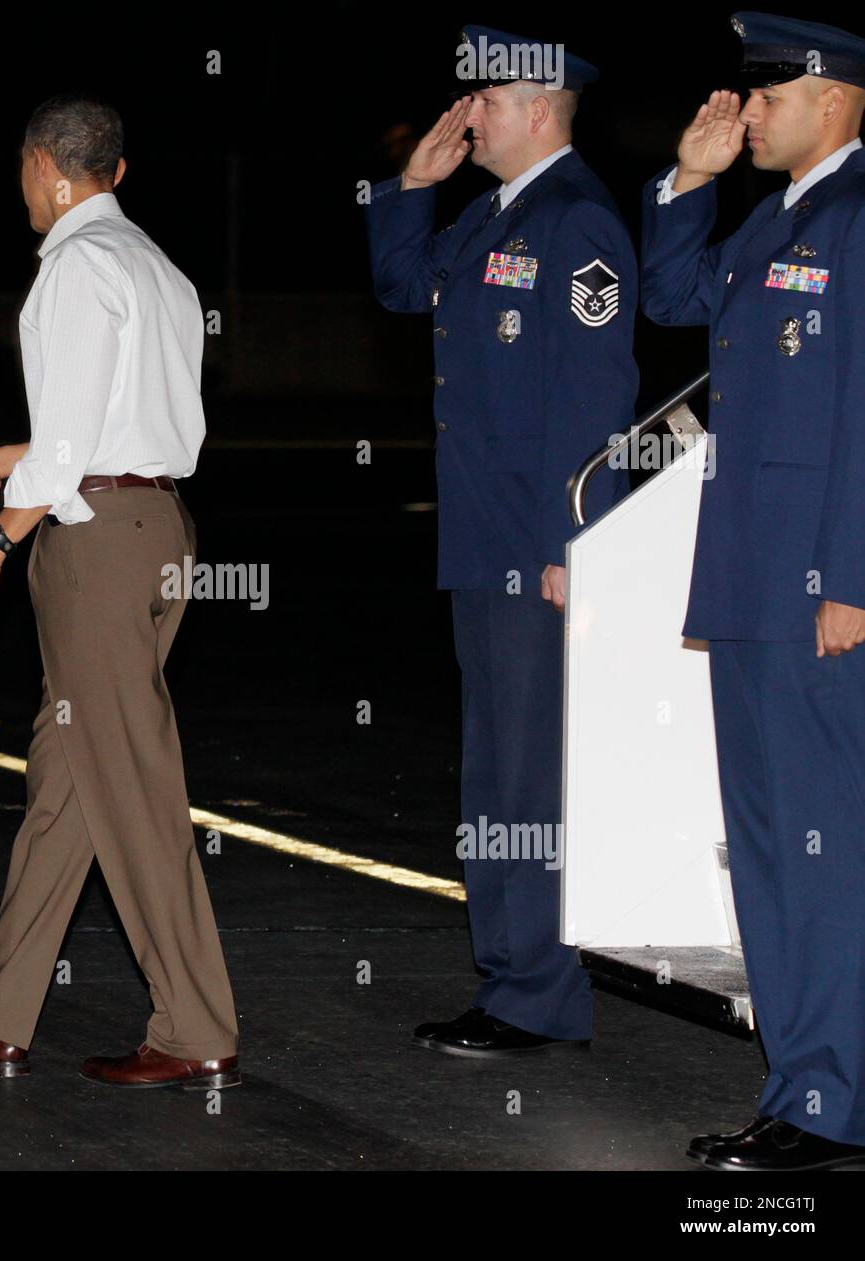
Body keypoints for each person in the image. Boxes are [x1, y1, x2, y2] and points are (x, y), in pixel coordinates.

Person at [0, 95, 241, 1090]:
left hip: (95, 546)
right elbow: (108, 433)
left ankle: (193, 1026)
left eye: (18, 168)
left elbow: (66, 452)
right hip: (156, 529)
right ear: (118, 171)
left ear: (42, 168)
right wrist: (5, 462)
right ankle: (0, 1014)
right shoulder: (160, 269)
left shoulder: (71, 266)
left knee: (133, 787)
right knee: (66, 784)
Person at [365, 26, 638, 1057]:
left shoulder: (577, 221)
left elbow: (593, 400)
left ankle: (536, 996)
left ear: (536, 105)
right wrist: (411, 185)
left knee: (527, 776)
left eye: (480, 100)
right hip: (484, 541)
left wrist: (577, 542)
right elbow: (402, 289)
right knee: (495, 775)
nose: (462, 115)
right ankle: (510, 979)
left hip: (538, 546)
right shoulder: (488, 213)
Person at [641, 12, 865, 1171]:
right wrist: (689, 177)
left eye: (763, 98)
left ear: (830, 98)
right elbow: (671, 302)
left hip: (819, 591)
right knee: (772, 850)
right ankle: (802, 1087)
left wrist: (855, 578)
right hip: (746, 581)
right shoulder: (775, 218)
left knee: (823, 853)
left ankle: (831, 1104)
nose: (746, 113)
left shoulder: (859, 218)